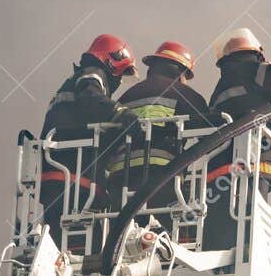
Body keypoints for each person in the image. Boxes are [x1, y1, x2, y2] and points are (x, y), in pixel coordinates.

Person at [203, 29, 271, 253]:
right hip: (257, 162)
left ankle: (219, 267)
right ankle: (248, 251)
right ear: (255, 51)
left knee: (223, 227)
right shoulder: (254, 70)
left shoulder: (220, 87)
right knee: (249, 224)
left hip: (221, 167)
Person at [38, 34, 136, 248]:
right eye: (120, 72)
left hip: (58, 176)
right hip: (74, 178)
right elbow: (90, 101)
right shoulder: (92, 75)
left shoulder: (72, 82)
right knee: (87, 243)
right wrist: (120, 113)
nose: (120, 79)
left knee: (60, 244)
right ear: (112, 61)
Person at [116, 42, 212, 241]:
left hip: (120, 181)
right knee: (168, 233)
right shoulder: (186, 95)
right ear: (180, 70)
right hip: (160, 178)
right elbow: (210, 133)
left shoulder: (126, 96)